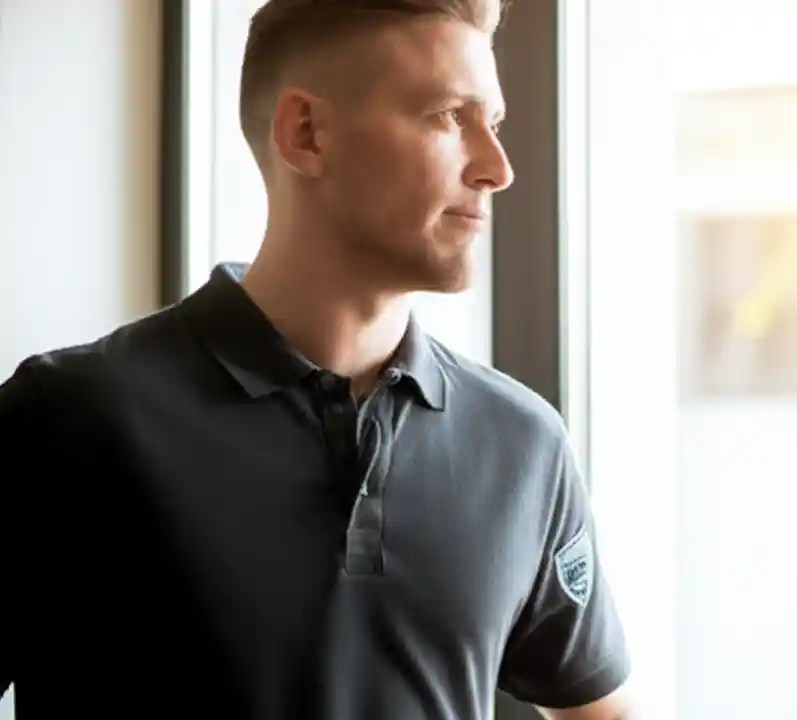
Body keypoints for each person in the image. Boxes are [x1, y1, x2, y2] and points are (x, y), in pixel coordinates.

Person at [0, 1, 633, 718]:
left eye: (496, 124)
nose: (497, 168)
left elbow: (598, 709)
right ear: (306, 133)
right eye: (449, 116)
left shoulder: (523, 443)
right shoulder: (68, 420)